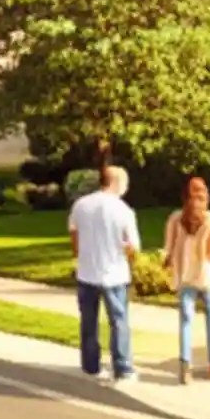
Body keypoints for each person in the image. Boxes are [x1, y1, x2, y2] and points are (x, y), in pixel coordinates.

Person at [69, 165, 141, 385]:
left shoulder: (81, 205)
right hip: (114, 273)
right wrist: (128, 254)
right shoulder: (123, 210)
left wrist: (80, 254)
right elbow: (133, 247)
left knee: (89, 321)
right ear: (117, 183)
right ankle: (123, 368)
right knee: (118, 322)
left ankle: (90, 366)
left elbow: (74, 234)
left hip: (87, 271)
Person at [163, 177, 210, 384]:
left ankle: (185, 367)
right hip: (207, 276)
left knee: (186, 322)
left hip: (185, 276)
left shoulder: (175, 218)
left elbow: (168, 249)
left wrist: (168, 265)